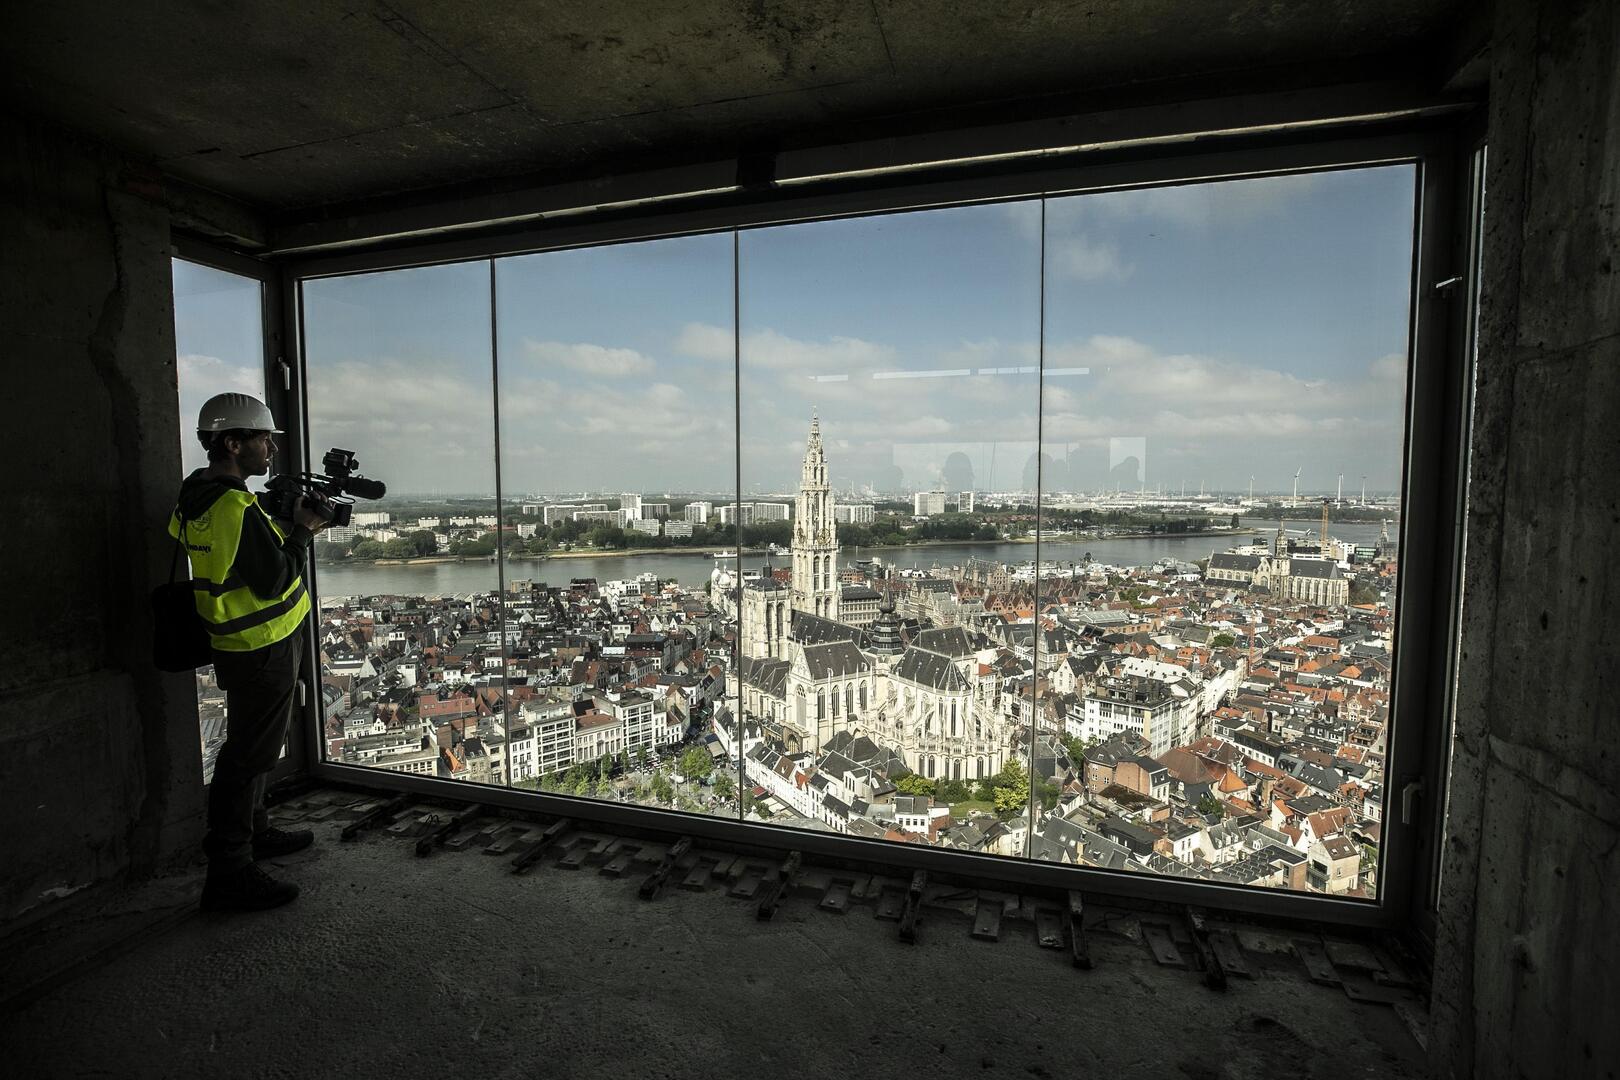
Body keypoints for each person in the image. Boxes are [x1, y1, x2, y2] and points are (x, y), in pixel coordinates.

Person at [171, 392, 329, 911]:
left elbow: (226, 556)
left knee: (248, 745)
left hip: (233, 642)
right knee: (247, 755)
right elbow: (275, 577)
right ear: (233, 443)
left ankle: (256, 832)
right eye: (265, 439)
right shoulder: (235, 505)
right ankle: (230, 871)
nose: (273, 450)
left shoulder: (196, 494)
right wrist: (302, 532)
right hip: (263, 644)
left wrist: (269, 525)